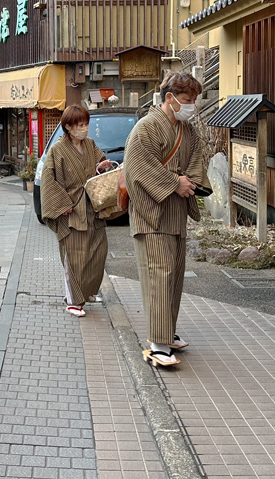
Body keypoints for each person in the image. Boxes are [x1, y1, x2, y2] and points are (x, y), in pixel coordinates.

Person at [123, 72, 207, 366]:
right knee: (159, 274)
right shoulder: (146, 128)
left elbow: (197, 159)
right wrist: (175, 182)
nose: (191, 106)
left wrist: (189, 183)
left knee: (174, 275)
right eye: (186, 100)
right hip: (152, 214)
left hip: (176, 213)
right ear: (169, 98)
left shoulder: (188, 130)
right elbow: (137, 167)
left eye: (194, 100)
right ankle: (158, 343)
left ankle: (167, 331)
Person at [40, 104, 113, 317]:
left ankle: (87, 291)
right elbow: (48, 180)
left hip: (92, 207)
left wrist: (102, 167)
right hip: (70, 209)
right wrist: (61, 205)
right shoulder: (57, 150)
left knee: (97, 253)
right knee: (74, 257)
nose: (84, 128)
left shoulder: (90, 145)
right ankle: (73, 301)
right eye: (79, 125)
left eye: (86, 124)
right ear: (68, 127)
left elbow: (99, 165)